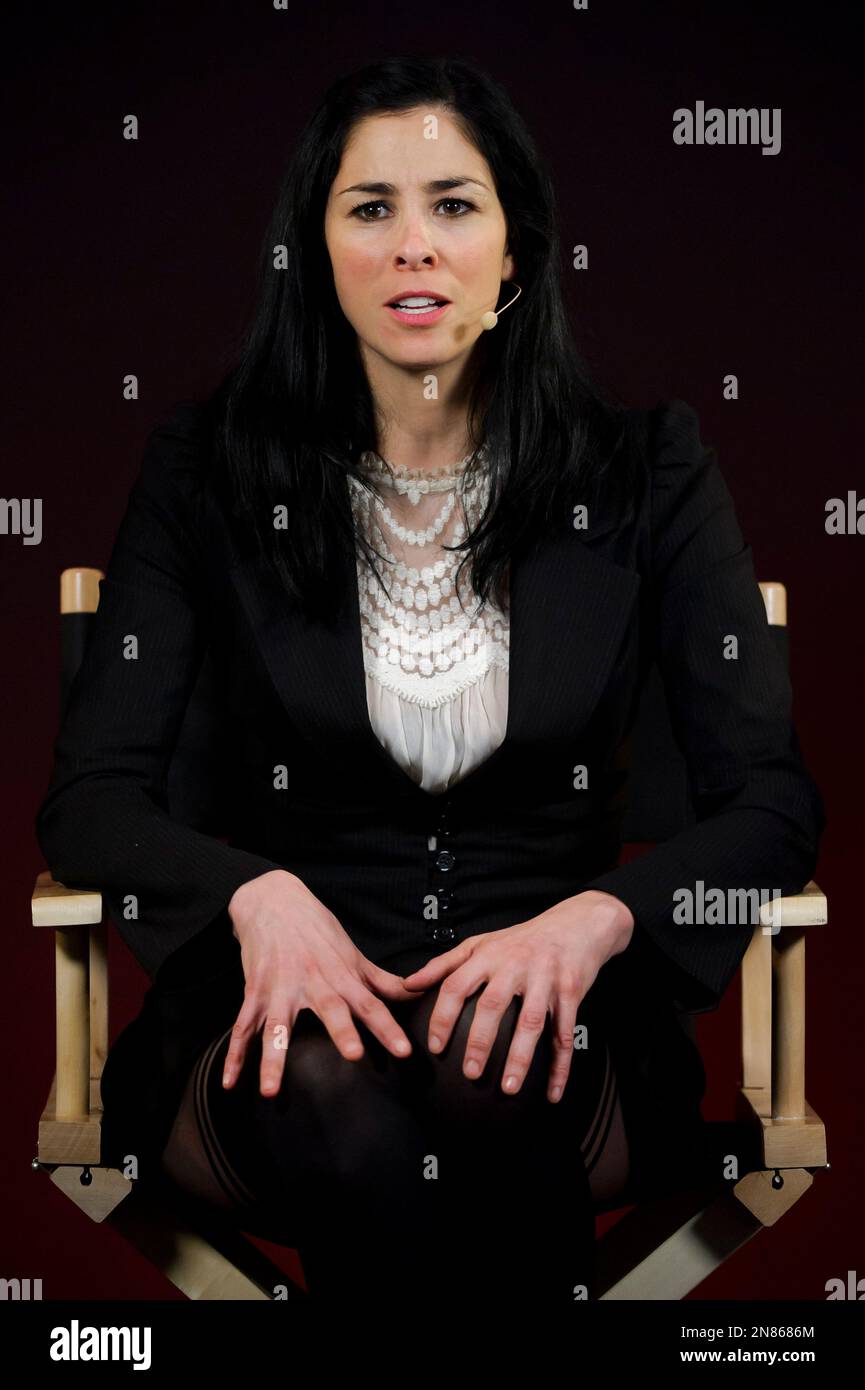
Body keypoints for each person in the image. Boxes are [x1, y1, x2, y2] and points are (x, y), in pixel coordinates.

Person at [35, 56, 825, 1308]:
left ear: (514, 252)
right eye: (370, 209)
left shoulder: (643, 471)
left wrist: (598, 920)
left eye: (454, 205)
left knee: (489, 1078)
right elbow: (90, 799)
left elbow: (773, 806)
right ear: (314, 250)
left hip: (557, 1032)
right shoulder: (205, 472)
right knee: (347, 1097)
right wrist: (254, 895)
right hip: (272, 1035)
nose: (414, 246)